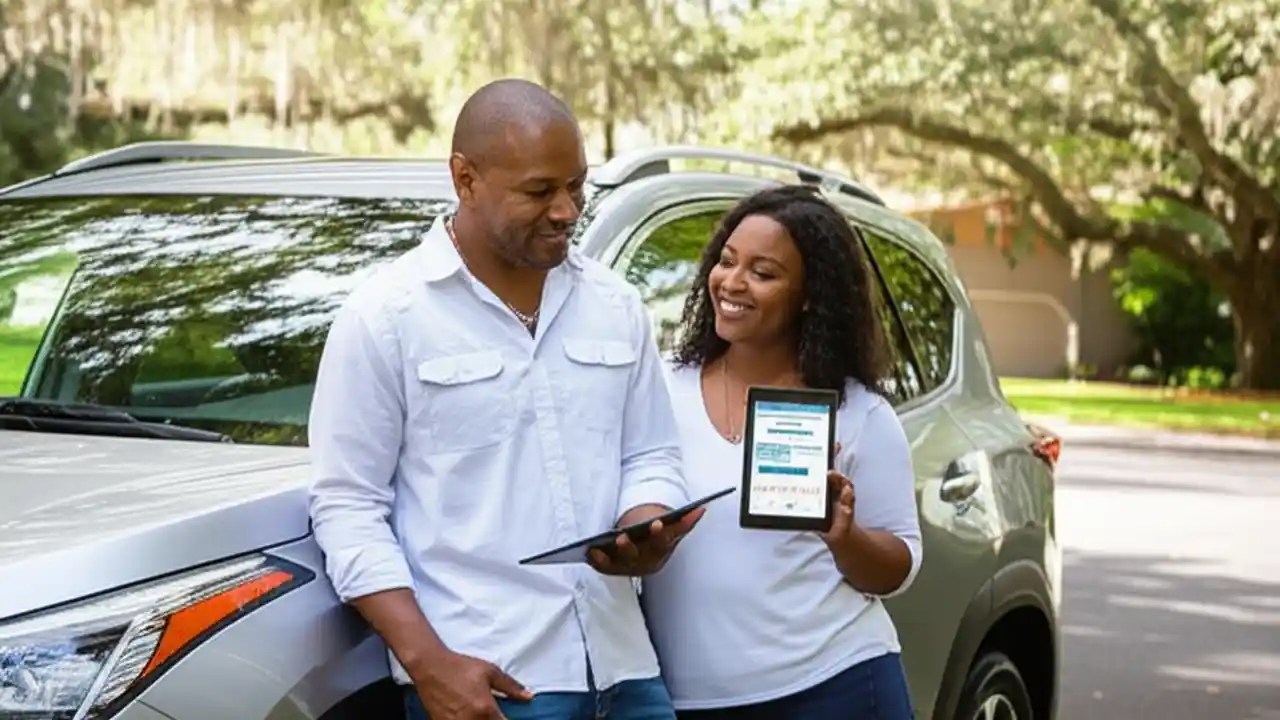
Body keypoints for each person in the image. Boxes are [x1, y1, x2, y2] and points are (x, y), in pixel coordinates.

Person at [307, 78, 703, 720]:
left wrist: (647, 522)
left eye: (577, 186)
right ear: (465, 179)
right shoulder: (386, 316)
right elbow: (347, 505)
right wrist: (429, 664)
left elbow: (651, 451)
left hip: (625, 669)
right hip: (489, 688)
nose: (568, 210)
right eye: (540, 191)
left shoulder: (615, 304)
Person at [639, 185, 923, 720]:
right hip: (687, 700)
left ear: (811, 295)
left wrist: (844, 536)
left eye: (763, 273)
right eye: (726, 261)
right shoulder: (659, 386)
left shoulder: (857, 412)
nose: (732, 282)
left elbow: (900, 567)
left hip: (830, 686)